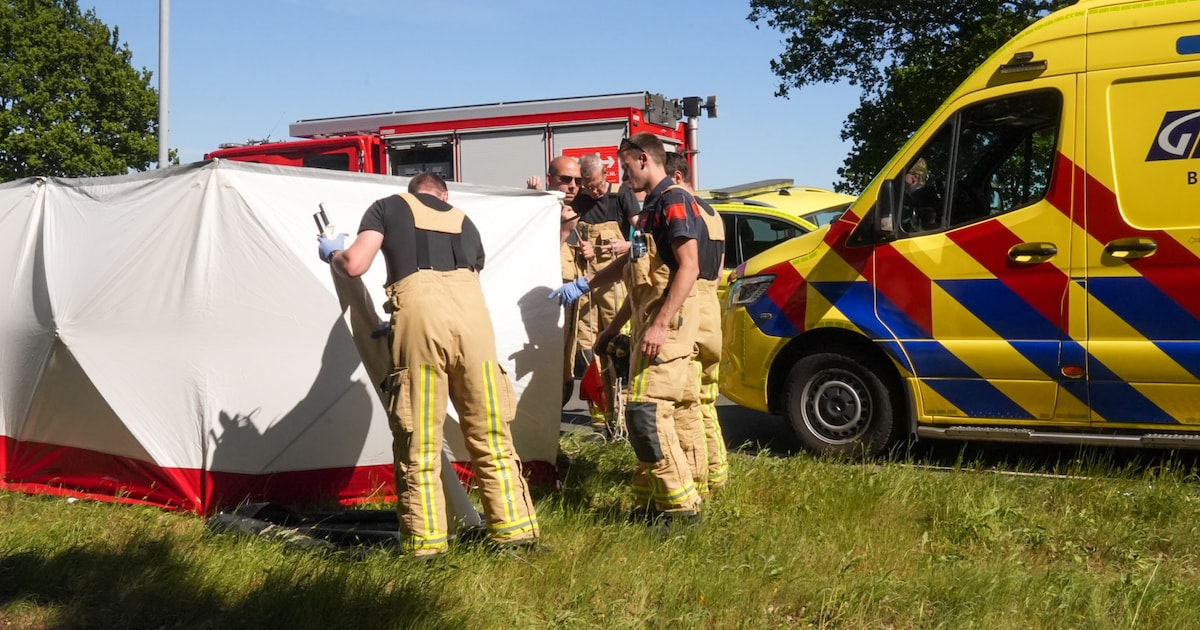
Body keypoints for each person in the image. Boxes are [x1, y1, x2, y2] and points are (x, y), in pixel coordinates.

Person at [318, 172, 540, 557]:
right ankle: (516, 536)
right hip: (474, 326)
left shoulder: (388, 206)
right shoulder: (465, 221)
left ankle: (427, 548)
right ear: (443, 195)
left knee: (419, 441)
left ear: (412, 194)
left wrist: (333, 253)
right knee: (491, 436)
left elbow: (356, 264)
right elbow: (469, 284)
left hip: (419, 321)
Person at [596, 133, 710, 526]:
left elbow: (689, 267)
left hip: (667, 327)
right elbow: (640, 279)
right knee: (677, 413)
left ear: (644, 159)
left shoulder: (673, 200)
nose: (623, 176)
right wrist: (612, 326)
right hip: (655, 321)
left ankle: (681, 510)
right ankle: (671, 493)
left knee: (645, 414)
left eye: (626, 167)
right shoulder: (650, 209)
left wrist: (660, 325)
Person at [664, 152, 728, 496]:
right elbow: (718, 270)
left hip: (690, 302)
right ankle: (717, 471)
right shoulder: (713, 212)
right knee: (705, 398)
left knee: (685, 401)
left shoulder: (683, 210)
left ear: (675, 176)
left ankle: (696, 478)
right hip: (711, 306)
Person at [568, 153, 640, 432]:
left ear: (605, 176)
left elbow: (641, 228)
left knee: (615, 345)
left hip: (614, 281)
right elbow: (566, 227)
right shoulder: (582, 201)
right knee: (588, 346)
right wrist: (582, 248)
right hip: (587, 283)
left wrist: (626, 245)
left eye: (597, 185)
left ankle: (621, 417)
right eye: (588, 186)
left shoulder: (621, 196)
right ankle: (599, 416)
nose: (594, 191)